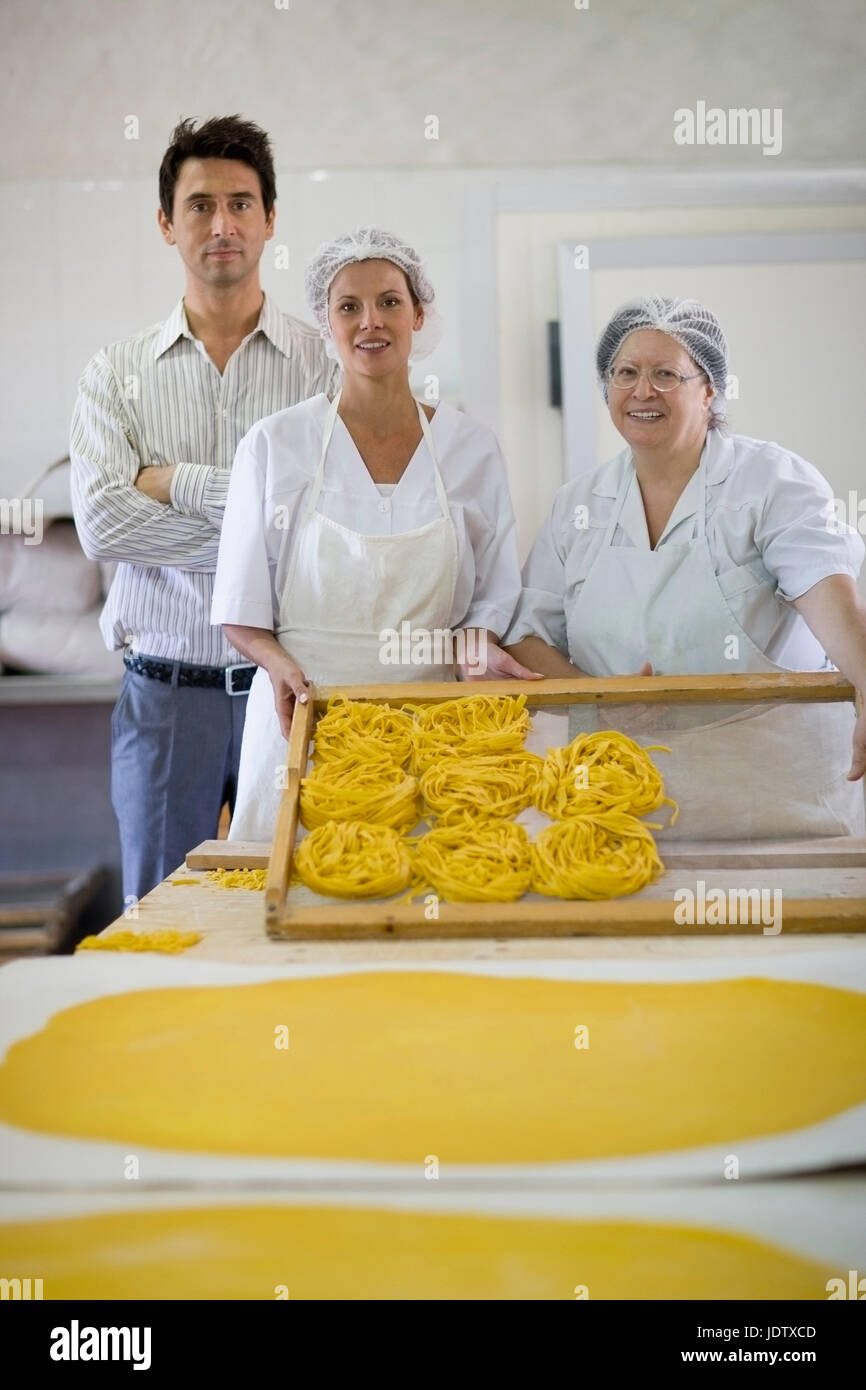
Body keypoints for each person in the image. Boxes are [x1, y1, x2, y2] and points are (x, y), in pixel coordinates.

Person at [70, 116, 336, 903]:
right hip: (166, 696)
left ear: (270, 220)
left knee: (311, 902)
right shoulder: (115, 374)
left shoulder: (325, 363)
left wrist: (174, 480)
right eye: (199, 205)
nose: (221, 224)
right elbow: (101, 526)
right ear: (166, 222)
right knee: (160, 917)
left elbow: (327, 527)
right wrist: (264, 520)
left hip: (291, 695)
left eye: (241, 203)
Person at [212, 227, 538, 841]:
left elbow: (495, 592)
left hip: (433, 729)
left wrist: (477, 648)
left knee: (426, 887)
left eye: (390, 301)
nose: (371, 322)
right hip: (305, 720)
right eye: (349, 306)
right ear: (324, 320)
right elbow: (239, 604)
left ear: (418, 314)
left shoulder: (471, 448)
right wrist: (278, 665)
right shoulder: (275, 444)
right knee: (291, 902)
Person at [506, 296, 866, 839]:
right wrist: (600, 701)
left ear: (709, 390)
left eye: (666, 374)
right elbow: (528, 633)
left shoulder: (769, 482)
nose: (642, 391)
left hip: (774, 795)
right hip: (617, 794)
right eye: (625, 373)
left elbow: (827, 590)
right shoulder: (579, 505)